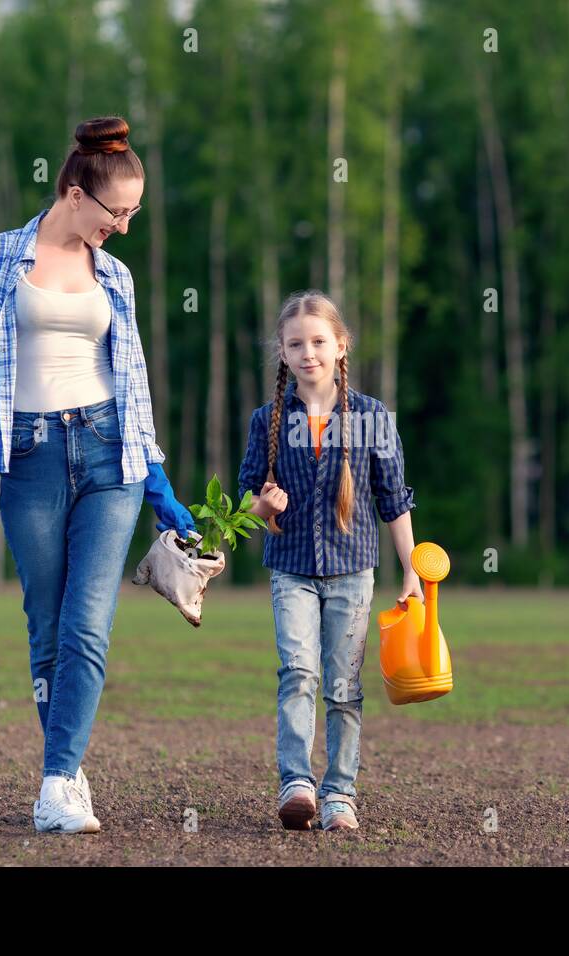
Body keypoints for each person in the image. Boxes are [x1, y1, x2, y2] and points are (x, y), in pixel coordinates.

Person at [0, 115, 195, 834]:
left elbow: (131, 378)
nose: (126, 228)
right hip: (30, 459)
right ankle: (67, 772)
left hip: (110, 456)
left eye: (135, 213)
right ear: (75, 193)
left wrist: (157, 479)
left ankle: (54, 782)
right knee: (44, 625)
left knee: (86, 625)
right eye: (118, 213)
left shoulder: (117, 276)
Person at [237, 289, 421, 832]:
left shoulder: (372, 417)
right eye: (296, 344)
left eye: (319, 341)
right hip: (291, 569)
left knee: (344, 685)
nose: (308, 352)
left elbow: (394, 499)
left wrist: (410, 568)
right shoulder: (267, 419)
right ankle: (296, 782)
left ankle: (340, 792)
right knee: (297, 672)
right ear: (283, 352)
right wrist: (262, 508)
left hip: (353, 573)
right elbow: (248, 501)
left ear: (341, 346)